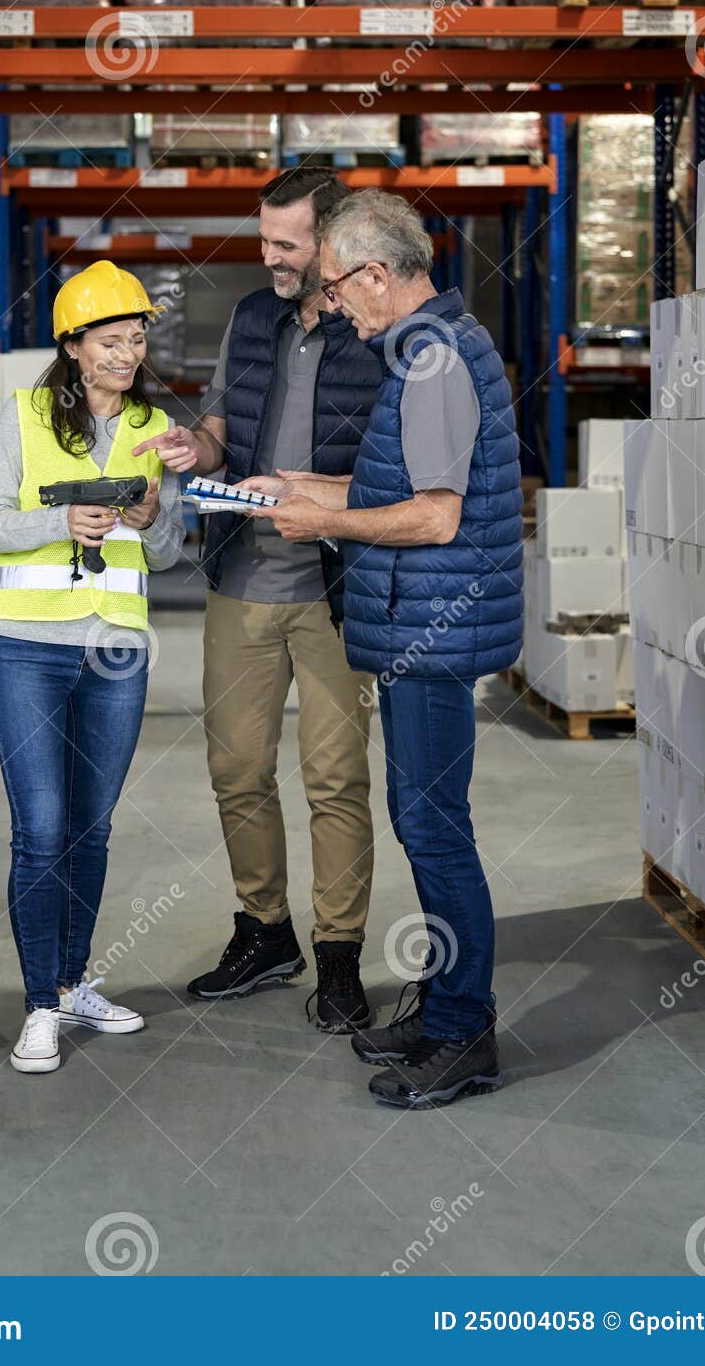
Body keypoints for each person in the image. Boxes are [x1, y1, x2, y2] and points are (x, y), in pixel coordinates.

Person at [269, 188, 524, 1108]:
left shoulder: (430, 362)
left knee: (433, 829)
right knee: (427, 822)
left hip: (432, 628)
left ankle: (464, 1033)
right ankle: (446, 1002)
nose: (335, 305)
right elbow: (408, 477)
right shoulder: (428, 350)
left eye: (338, 288)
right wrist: (309, 485)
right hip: (423, 621)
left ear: (377, 275)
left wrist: (323, 520)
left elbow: (431, 514)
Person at [133, 166, 383, 1033]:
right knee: (236, 771)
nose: (268, 256)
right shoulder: (250, 318)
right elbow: (220, 427)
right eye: (263, 238)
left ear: (334, 242)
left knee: (334, 778)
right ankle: (265, 930)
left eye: (286, 243)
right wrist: (192, 451)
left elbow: (400, 472)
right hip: (240, 579)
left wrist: (328, 502)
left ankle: (341, 955)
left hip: (332, 590)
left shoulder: (375, 329)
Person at [0, 261, 184, 1075]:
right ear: (71, 345)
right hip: (26, 647)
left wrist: (154, 512)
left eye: (135, 339)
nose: (125, 354)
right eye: (108, 341)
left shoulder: (152, 425)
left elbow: (163, 555)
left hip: (116, 653)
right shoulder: (25, 414)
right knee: (42, 830)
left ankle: (69, 983)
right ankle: (37, 1007)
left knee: (91, 829)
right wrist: (61, 517)